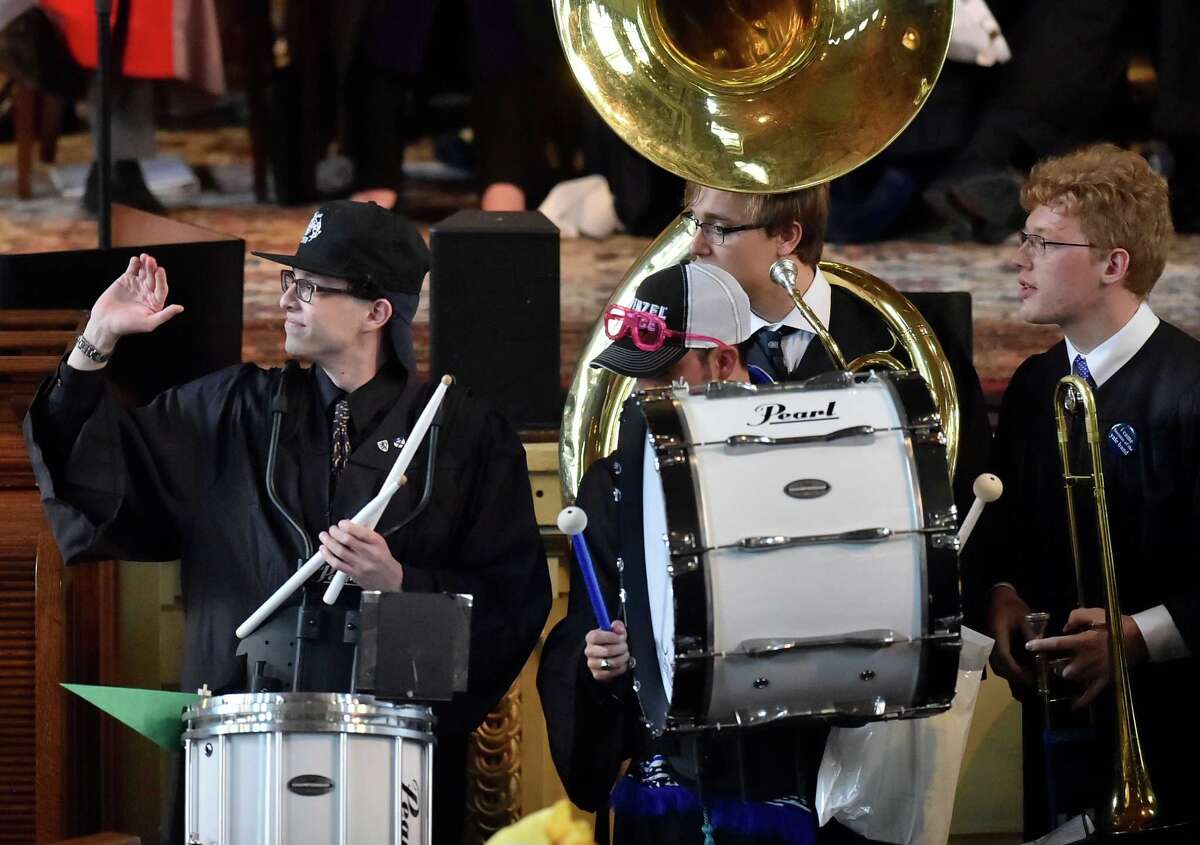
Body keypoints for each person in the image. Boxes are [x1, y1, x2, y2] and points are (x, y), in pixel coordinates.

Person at [23, 199, 551, 843]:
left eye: (310, 287)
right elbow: (97, 478)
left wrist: (400, 583)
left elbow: (512, 603)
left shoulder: (465, 435)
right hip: (237, 758)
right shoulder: (232, 410)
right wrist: (96, 340)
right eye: (289, 282)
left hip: (385, 777)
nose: (287, 302)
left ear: (377, 312)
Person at [540, 261, 836, 845]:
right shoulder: (614, 480)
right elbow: (583, 627)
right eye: (638, 381)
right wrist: (595, 659)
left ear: (724, 361)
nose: (646, 396)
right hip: (662, 790)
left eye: (664, 376)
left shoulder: (811, 456)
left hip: (792, 773)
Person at [969, 144, 1200, 837]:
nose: (1021, 258)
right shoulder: (1038, 384)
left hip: (1176, 725)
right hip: (1056, 718)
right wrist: (1003, 591)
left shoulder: (1190, 390)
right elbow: (1010, 532)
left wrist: (1137, 635)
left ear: (1113, 263)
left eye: (1043, 243)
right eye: (1024, 239)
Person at [680, 181, 994, 525]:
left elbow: (970, 482)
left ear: (786, 236)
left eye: (719, 229)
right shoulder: (684, 343)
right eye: (694, 223)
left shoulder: (905, 340)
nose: (696, 246)